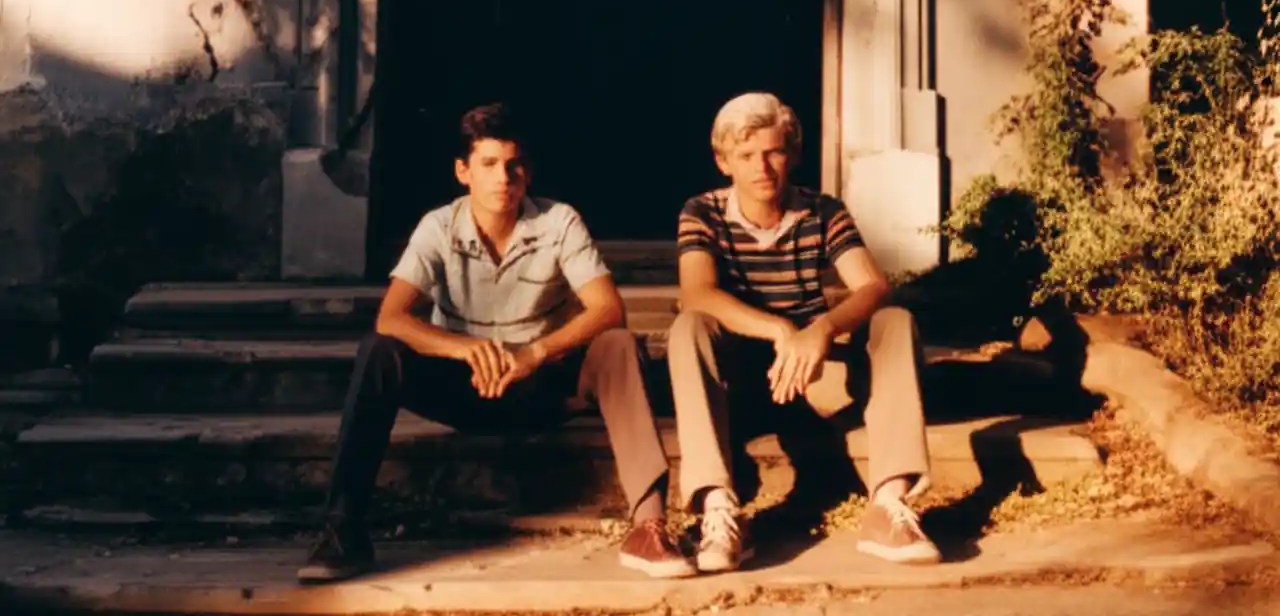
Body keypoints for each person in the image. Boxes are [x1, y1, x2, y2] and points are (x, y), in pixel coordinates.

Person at [299, 103, 694, 582]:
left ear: (528, 170)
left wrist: (535, 353)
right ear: (463, 172)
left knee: (618, 344)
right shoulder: (439, 226)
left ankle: (649, 526)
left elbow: (608, 307)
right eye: (488, 165)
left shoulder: (559, 221)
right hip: (464, 387)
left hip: (543, 383)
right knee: (379, 351)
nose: (504, 177)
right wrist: (462, 348)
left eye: (514, 164)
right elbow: (391, 317)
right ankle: (343, 529)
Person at [667, 92, 941, 572]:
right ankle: (717, 508)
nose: (762, 167)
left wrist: (821, 329)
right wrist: (780, 330)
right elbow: (698, 293)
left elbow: (872, 286)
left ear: (792, 154)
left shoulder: (821, 210)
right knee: (689, 326)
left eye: (773, 152)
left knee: (894, 320)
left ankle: (890, 504)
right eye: (747, 155)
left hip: (814, 379)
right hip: (741, 382)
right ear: (723, 161)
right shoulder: (702, 211)